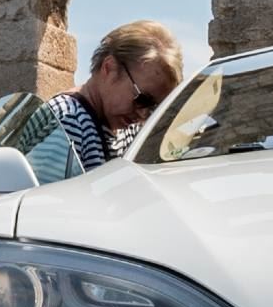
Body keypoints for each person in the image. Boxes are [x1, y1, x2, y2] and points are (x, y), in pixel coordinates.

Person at [16, 19, 186, 184]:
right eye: (143, 99)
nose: (143, 115)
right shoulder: (68, 121)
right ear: (109, 68)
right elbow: (49, 201)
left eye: (154, 107)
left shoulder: (125, 127)